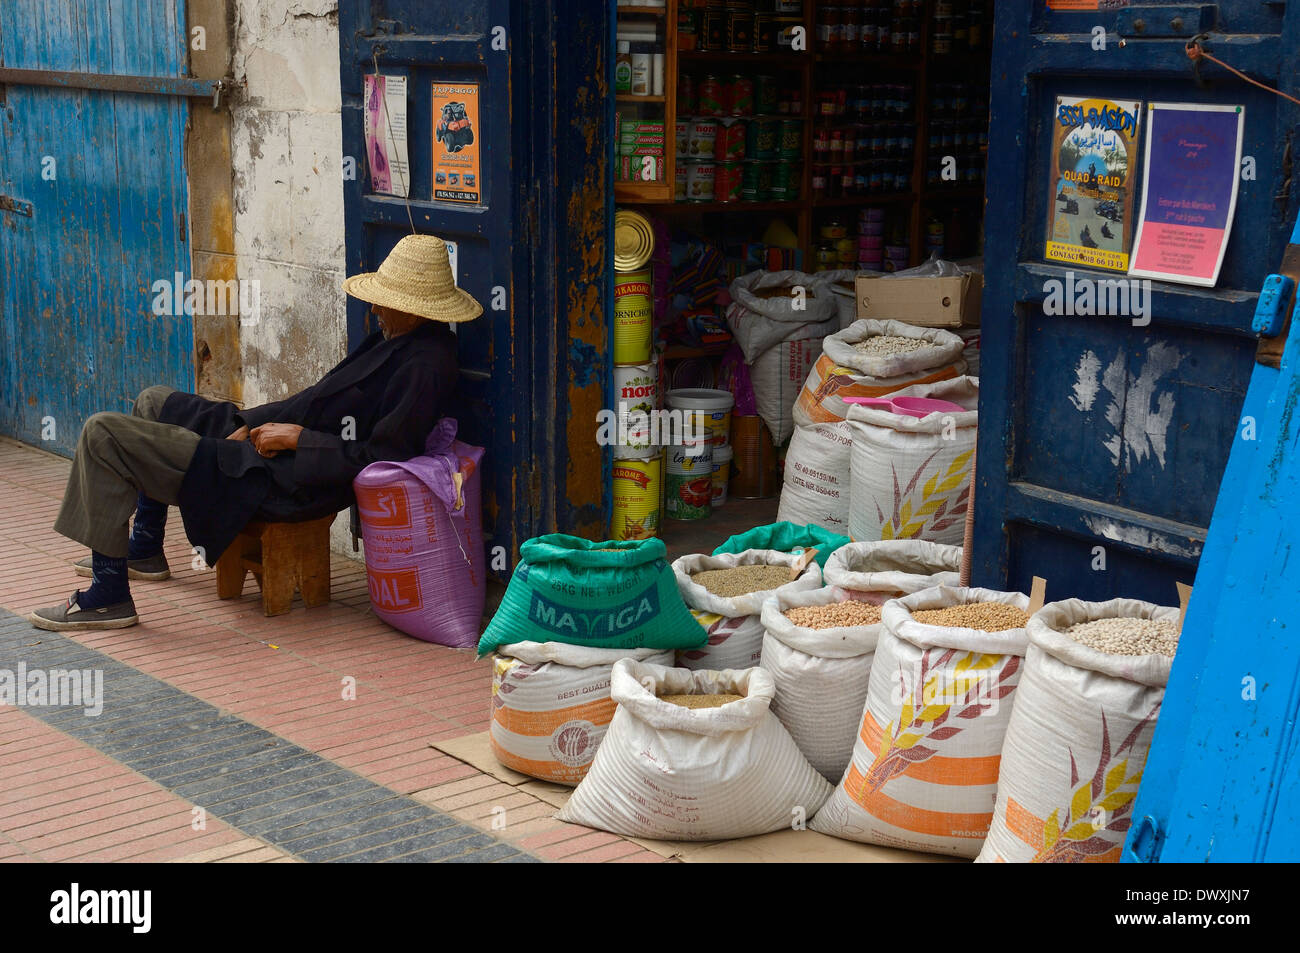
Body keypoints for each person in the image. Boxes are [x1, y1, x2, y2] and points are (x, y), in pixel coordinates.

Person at [31, 234, 481, 631]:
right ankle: (145, 549)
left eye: (385, 301)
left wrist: (296, 440)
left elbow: (382, 459)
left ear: (413, 308)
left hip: (292, 479)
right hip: (277, 447)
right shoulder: (392, 338)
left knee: (102, 433)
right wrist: (247, 424)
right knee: (154, 401)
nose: (376, 307)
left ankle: (108, 593)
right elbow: (313, 399)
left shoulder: (425, 367)